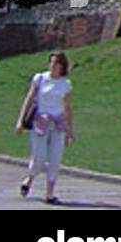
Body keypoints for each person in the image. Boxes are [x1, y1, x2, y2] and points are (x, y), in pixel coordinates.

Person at [15, 51, 75, 204]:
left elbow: (67, 107)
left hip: (58, 124)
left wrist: (69, 130)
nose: (53, 66)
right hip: (40, 122)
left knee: (55, 158)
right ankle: (29, 178)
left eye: (56, 63)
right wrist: (20, 121)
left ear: (62, 66)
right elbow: (29, 98)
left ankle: (50, 193)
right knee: (39, 158)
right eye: (51, 62)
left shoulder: (65, 84)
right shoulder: (40, 78)